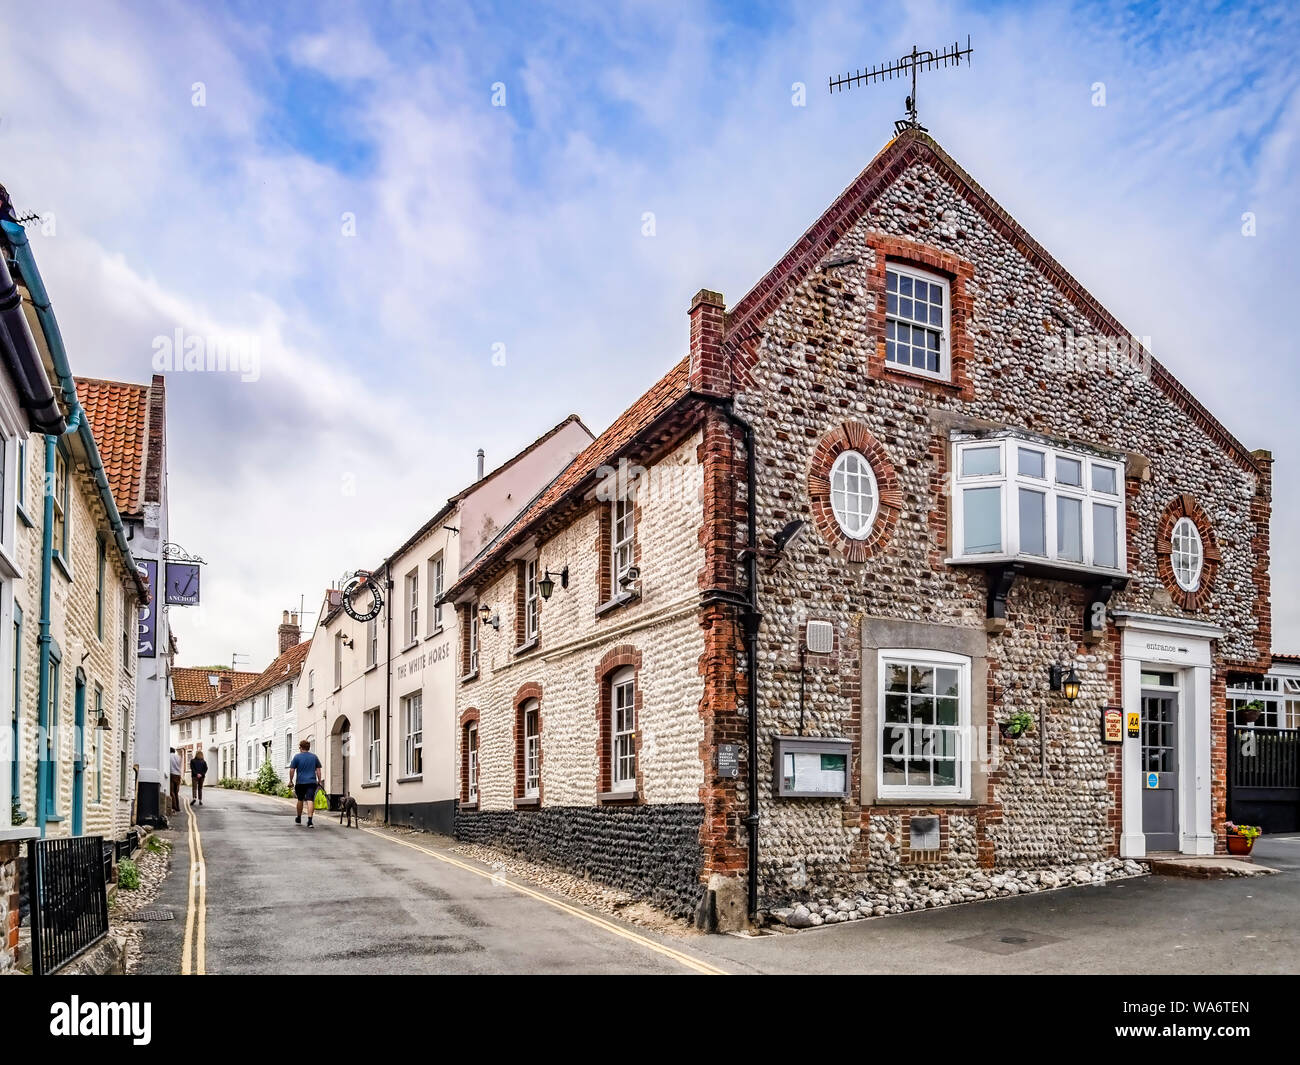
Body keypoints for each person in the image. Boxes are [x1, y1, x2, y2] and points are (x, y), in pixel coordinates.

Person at [288, 739, 322, 827]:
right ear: (308, 747)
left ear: (300, 747)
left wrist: (291, 780)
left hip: (300, 782)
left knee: (300, 799)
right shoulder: (314, 757)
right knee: (310, 800)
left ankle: (299, 817)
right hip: (311, 782)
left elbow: (292, 769)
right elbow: (318, 770)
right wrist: (319, 780)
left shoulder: (297, 757)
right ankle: (310, 820)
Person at [169, 747, 182, 812]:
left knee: (172, 792)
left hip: (172, 775)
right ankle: (178, 807)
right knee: (176, 792)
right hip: (178, 775)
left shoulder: (168, 756)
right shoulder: (179, 757)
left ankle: (174, 807)